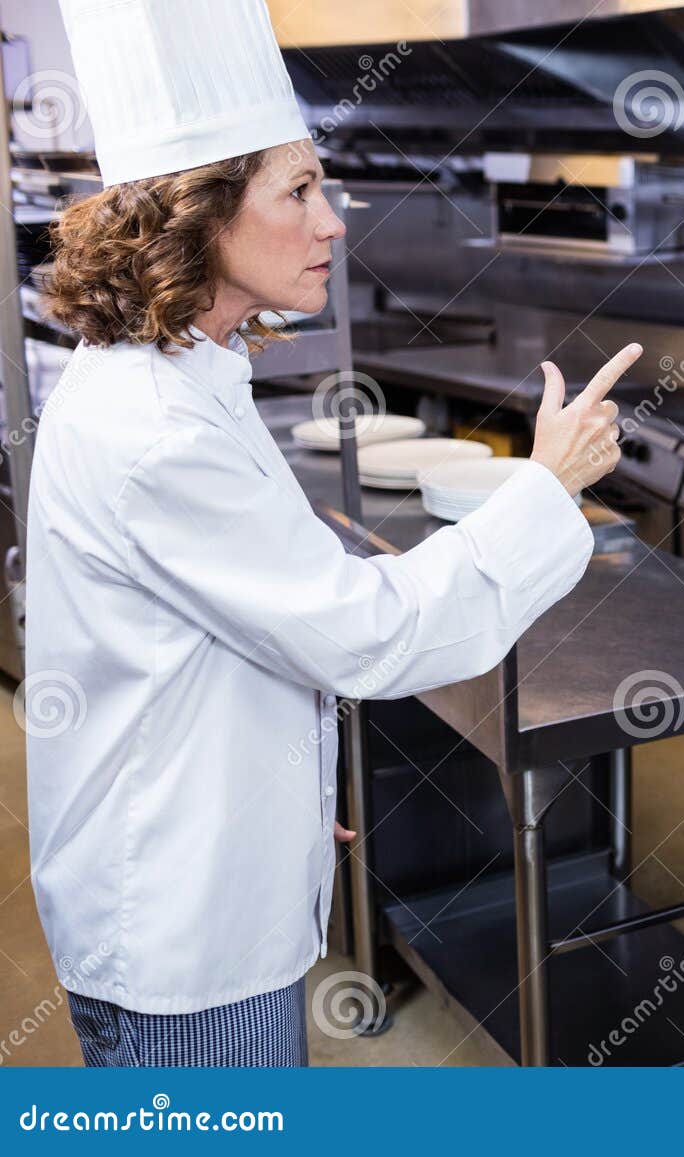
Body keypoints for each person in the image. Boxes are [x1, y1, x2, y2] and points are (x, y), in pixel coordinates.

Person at [25, 0, 636, 1067]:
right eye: (299, 190)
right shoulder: (158, 427)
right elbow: (368, 631)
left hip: (200, 872)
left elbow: (220, 638)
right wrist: (547, 486)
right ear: (199, 214)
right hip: (181, 939)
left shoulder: (180, 375)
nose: (333, 223)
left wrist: (281, 796)